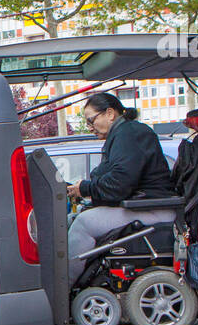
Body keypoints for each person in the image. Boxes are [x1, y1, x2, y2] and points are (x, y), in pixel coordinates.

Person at [66, 92, 177, 284]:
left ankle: (64, 288)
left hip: (153, 210)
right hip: (144, 206)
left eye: (91, 120)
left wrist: (85, 189)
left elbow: (118, 184)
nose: (90, 127)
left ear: (110, 113)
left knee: (82, 223)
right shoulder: (123, 134)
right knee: (69, 219)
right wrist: (85, 188)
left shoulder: (129, 134)